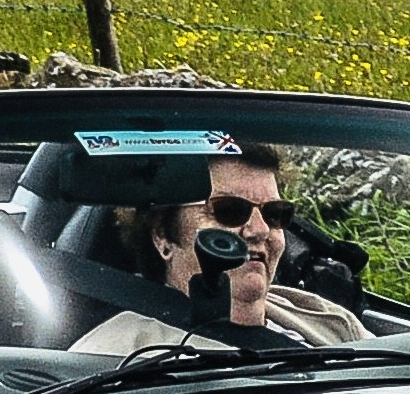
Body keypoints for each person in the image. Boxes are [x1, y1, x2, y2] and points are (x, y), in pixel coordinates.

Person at [67, 145, 371, 355]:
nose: (260, 229)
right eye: (228, 211)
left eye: (275, 213)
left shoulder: (325, 317)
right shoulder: (114, 353)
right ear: (162, 236)